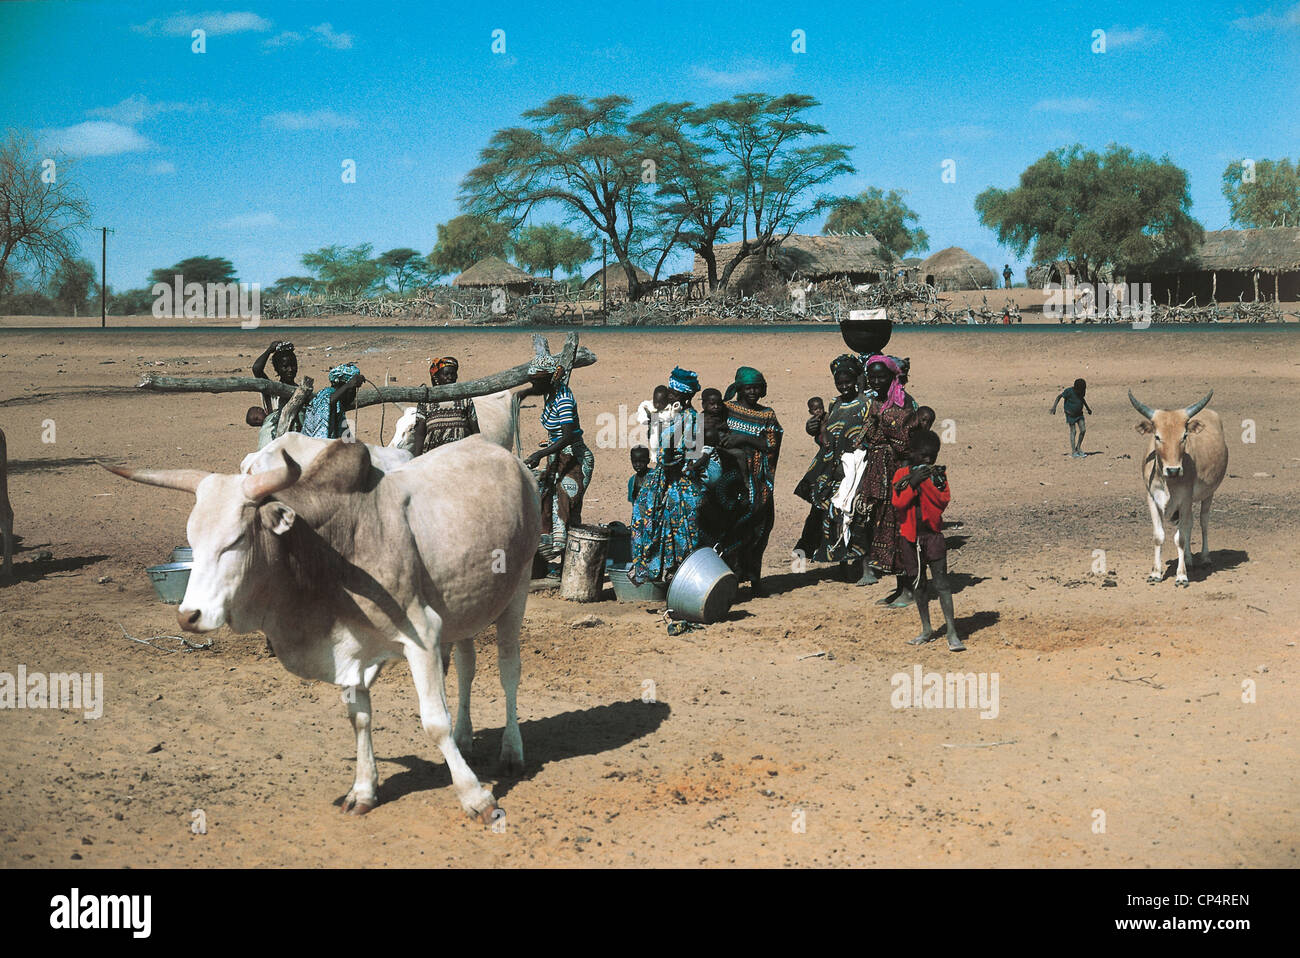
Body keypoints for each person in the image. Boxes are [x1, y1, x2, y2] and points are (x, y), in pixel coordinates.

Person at [795, 355, 873, 577]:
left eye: (848, 382)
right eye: (840, 383)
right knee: (834, 513)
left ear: (857, 381)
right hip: (833, 469)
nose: (844, 386)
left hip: (857, 468)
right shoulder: (834, 404)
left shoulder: (867, 404)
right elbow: (827, 435)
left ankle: (863, 565)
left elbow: (870, 433)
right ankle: (841, 563)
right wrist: (815, 432)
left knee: (856, 514)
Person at [519, 357, 594, 577]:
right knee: (546, 497)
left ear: (549, 379)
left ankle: (564, 562)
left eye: (536, 382)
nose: (534, 386)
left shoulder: (563, 398)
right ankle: (562, 563)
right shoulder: (550, 392)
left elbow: (569, 435)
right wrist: (526, 394)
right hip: (558, 456)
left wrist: (541, 453)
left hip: (575, 459)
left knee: (564, 503)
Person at [892, 429, 964, 651]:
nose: (927, 460)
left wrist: (923, 482)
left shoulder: (938, 475)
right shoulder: (901, 475)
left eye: (931, 456)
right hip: (909, 538)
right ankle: (926, 628)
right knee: (918, 585)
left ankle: (952, 632)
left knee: (942, 584)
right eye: (923, 455)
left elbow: (942, 501)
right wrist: (912, 482)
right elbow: (898, 503)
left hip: (932, 536)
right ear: (912, 453)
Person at [856, 355, 919, 605]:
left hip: (898, 473)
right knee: (883, 527)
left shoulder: (903, 403)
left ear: (893, 376)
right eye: (872, 376)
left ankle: (910, 589)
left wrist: (903, 479)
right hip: (878, 472)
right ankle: (899, 587)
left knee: (900, 529)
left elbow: (907, 446)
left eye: (881, 376)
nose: (876, 381)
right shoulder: (876, 403)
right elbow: (867, 436)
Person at [718, 367, 783, 597]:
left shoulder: (767, 415)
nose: (753, 392)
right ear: (739, 389)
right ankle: (729, 579)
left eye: (757, 387)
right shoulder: (726, 410)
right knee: (730, 531)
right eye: (748, 388)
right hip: (730, 483)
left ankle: (754, 578)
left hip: (759, 482)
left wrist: (744, 438)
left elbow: (772, 445)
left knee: (759, 530)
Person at [628, 446, 704, 585]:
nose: (668, 470)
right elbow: (639, 515)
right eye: (666, 466)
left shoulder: (687, 487)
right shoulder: (651, 485)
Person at [411, 357, 479, 454]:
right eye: (446, 374)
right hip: (433, 455)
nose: (450, 377)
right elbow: (420, 434)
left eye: (453, 374)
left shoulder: (465, 399)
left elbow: (475, 429)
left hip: (461, 453)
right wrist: (417, 459)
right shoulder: (425, 401)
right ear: (437, 377)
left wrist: (478, 450)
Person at [251, 340, 303, 445]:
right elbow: (256, 369)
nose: (290, 369)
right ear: (277, 369)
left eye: (293, 365)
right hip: (273, 439)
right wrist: (269, 351)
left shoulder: (302, 391)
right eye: (285, 366)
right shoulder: (271, 389)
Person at [301, 362, 364, 440]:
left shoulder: (339, 407)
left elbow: (346, 439)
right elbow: (327, 402)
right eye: (351, 391)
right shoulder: (325, 394)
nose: (353, 396)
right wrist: (348, 385)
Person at [1050, 378, 1093, 458]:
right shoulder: (1069, 391)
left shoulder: (1081, 392)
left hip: (1079, 414)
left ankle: (1078, 447)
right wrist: (1054, 407)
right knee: (1073, 431)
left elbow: (1082, 400)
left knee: (1083, 430)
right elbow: (1059, 397)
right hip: (1070, 415)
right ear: (1076, 388)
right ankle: (1073, 451)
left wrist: (1088, 408)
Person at [635, 385, 673, 464]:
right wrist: (645, 418)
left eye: (661, 403)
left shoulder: (670, 408)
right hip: (655, 431)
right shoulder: (650, 405)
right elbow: (642, 408)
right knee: (654, 443)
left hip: (667, 434)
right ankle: (655, 455)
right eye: (656, 402)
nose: (658, 405)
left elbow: (670, 417)